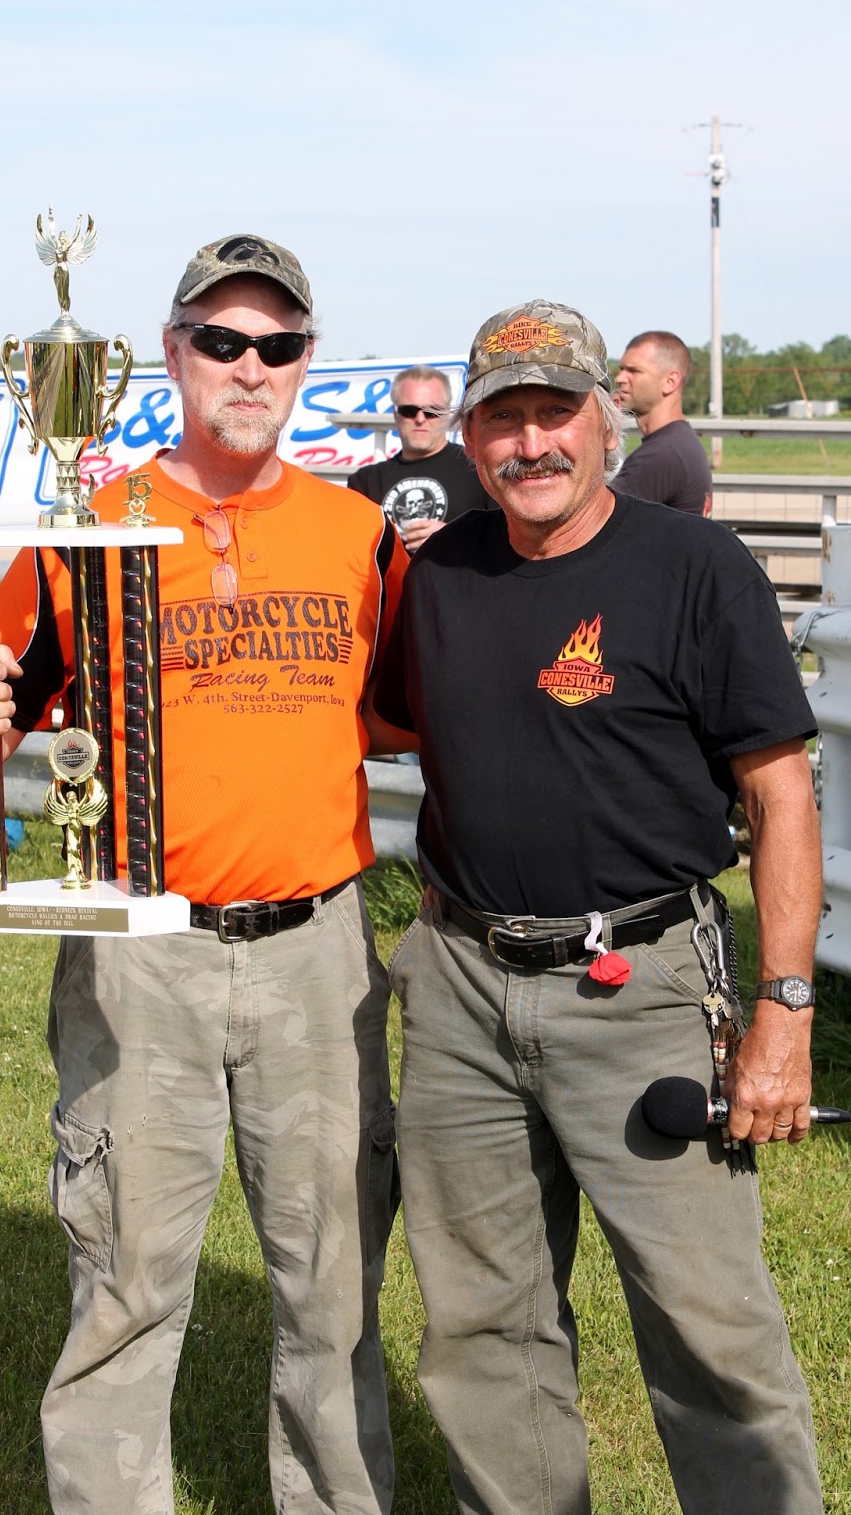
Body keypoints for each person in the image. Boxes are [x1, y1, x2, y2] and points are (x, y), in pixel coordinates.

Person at [0, 233, 409, 1515]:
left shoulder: (360, 536)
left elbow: (429, 717)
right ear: (171, 354)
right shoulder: (85, 529)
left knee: (335, 1289)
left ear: (305, 360)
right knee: (126, 1284)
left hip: (318, 953)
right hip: (143, 951)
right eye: (222, 339)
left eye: (277, 344)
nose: (251, 366)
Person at [374, 298, 823, 1515]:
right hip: (461, 989)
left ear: (604, 421)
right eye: (502, 419)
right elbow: (382, 724)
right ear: (470, 438)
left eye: (553, 412)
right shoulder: (437, 574)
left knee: (708, 1328)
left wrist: (783, 1008)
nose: (530, 443)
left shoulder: (695, 568)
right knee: (482, 1329)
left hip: (643, 986)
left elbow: (778, 789)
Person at [347, 364, 496, 553]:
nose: (420, 419)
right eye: (409, 410)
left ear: (446, 414)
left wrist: (453, 537)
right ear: (396, 414)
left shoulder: (479, 470)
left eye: (431, 411)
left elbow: (506, 542)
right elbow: (351, 547)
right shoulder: (366, 481)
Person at [612, 328, 713, 513]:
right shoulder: (679, 442)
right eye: (621, 369)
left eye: (634, 371)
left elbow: (594, 522)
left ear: (670, 382)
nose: (619, 378)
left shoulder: (658, 457)